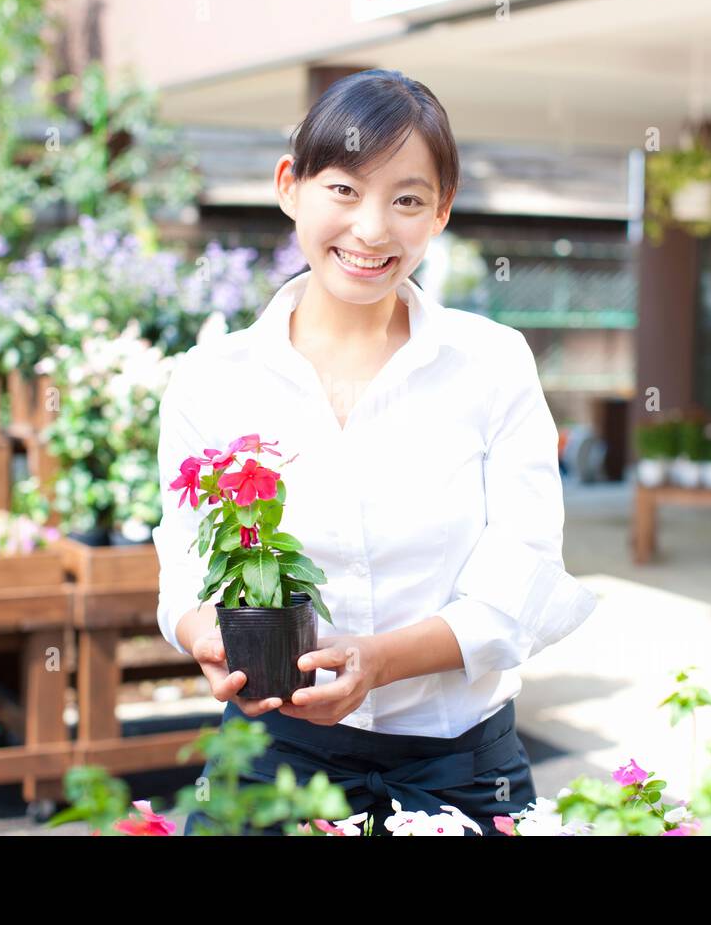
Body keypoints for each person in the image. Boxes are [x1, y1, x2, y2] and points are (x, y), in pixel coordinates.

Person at [152, 69, 599, 836]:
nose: (370, 230)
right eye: (344, 189)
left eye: (407, 200)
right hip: (272, 758)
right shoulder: (210, 380)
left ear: (441, 213)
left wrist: (378, 662)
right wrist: (209, 639)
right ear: (290, 185)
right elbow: (187, 572)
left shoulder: (491, 364)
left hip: (460, 766)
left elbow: (523, 578)